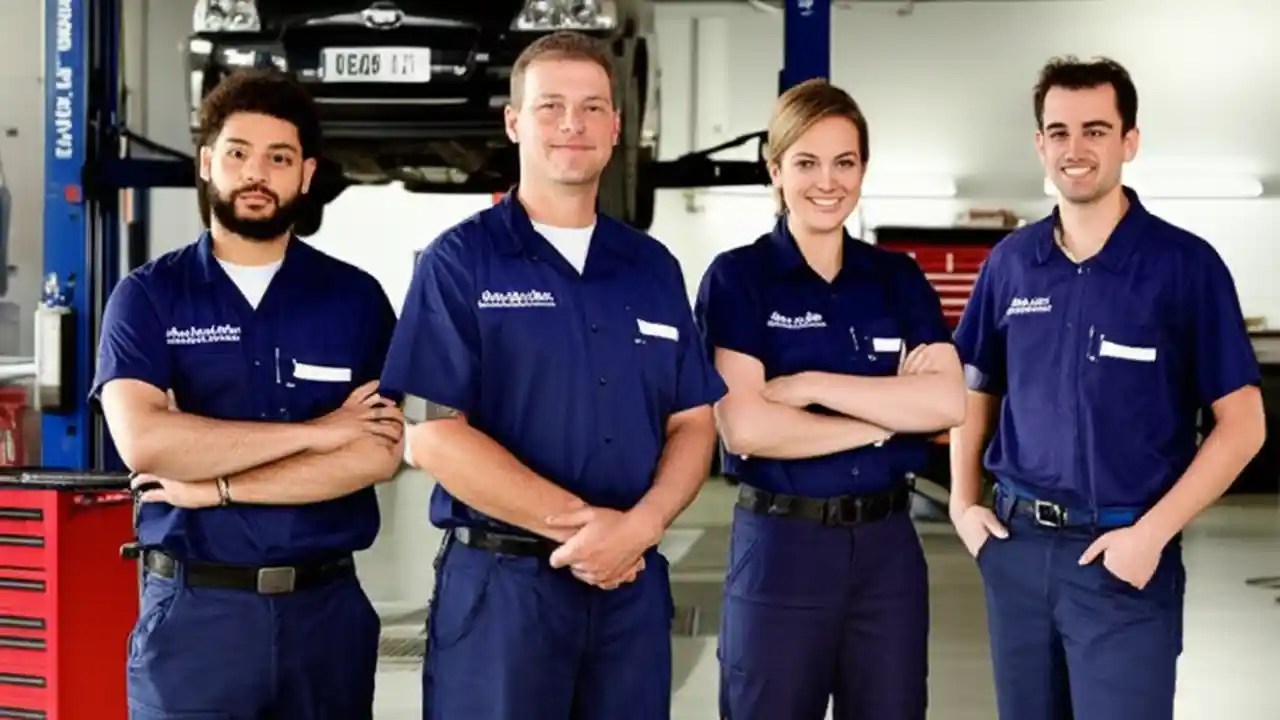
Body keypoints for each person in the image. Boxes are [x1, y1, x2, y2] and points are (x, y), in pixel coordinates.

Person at [378, 30, 726, 720]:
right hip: (503, 591)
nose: (574, 123)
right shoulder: (458, 263)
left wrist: (642, 526)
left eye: (593, 107)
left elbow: (693, 421)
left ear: (617, 127)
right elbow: (432, 434)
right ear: (514, 122)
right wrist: (590, 532)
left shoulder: (653, 269)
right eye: (551, 106)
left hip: (629, 588)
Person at [949, 56, 1266, 720]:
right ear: (1040, 144)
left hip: (1124, 559)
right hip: (1016, 550)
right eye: (1059, 132)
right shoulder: (1011, 264)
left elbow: (1244, 425)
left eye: (1095, 130)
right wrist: (961, 504)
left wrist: (1152, 535)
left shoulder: (1185, 267)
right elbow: (973, 388)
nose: (1076, 148)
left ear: (1130, 141)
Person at [92, 69, 405, 719]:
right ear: (208, 163)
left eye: (279, 158)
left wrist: (215, 485)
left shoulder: (356, 301)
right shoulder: (148, 297)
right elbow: (147, 442)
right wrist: (320, 432)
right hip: (194, 619)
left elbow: (377, 454)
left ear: (306, 175)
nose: (256, 172)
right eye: (238, 153)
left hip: (325, 619)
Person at [694, 78, 967, 720]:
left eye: (844, 162)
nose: (827, 181)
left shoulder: (896, 278)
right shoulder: (739, 279)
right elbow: (747, 428)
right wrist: (887, 419)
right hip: (781, 546)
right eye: (806, 162)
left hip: (887, 550)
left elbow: (947, 403)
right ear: (775, 170)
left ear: (863, 170)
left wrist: (814, 387)